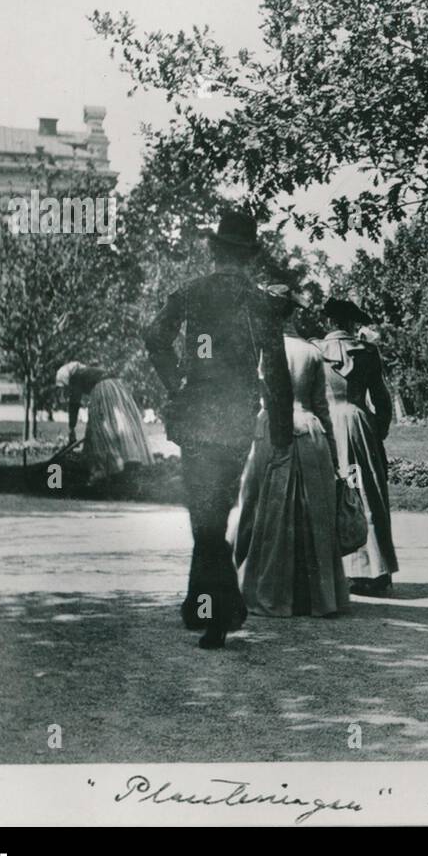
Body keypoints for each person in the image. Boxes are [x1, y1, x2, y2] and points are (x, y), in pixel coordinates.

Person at [144, 204, 294, 650]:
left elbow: (154, 336)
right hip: (235, 421)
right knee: (215, 513)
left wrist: (175, 382)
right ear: (248, 256)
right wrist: (282, 431)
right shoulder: (260, 302)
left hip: (196, 416)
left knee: (203, 516)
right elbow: (277, 369)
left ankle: (213, 611)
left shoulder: (192, 292)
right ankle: (208, 606)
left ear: (215, 251)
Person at [237, 286, 350, 617]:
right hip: (309, 432)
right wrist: (333, 453)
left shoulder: (260, 349)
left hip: (272, 429)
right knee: (313, 514)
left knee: (264, 508)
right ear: (292, 312)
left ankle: (268, 588)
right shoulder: (311, 352)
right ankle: (313, 597)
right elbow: (321, 407)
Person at [317, 297, 399, 595]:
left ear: (328, 321)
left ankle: (339, 571)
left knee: (333, 493)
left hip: (327, 423)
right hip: (360, 422)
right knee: (368, 492)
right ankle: (375, 571)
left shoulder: (316, 350)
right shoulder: (367, 352)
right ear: (352, 322)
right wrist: (376, 431)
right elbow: (382, 400)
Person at [55, 361, 152, 482]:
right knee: (120, 424)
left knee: (100, 430)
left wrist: (72, 428)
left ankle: (110, 468)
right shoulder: (87, 371)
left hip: (104, 389)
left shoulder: (76, 376)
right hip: (118, 387)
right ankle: (129, 460)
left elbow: (74, 403)